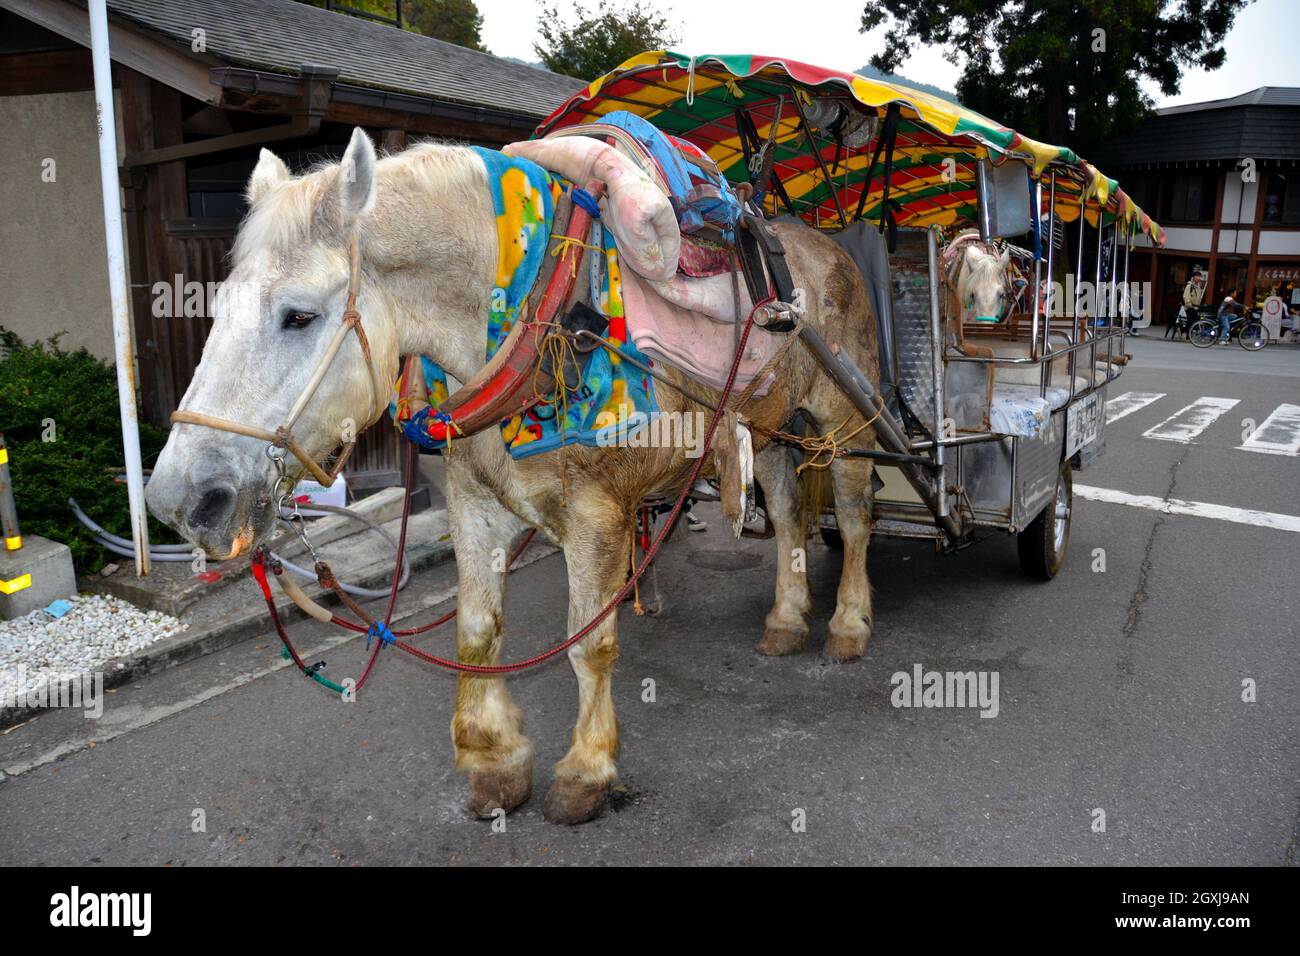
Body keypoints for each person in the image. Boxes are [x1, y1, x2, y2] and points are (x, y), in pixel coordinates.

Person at [1169, 269, 1205, 339]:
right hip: (1190, 307)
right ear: (1193, 277)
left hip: (1196, 307)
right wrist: (1190, 306)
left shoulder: (1198, 287)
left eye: (1199, 276)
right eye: (1197, 276)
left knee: (1192, 322)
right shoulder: (1189, 286)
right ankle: (1188, 337)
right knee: (1190, 322)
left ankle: (1183, 331)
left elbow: (1199, 297)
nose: (1198, 278)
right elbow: (1186, 297)